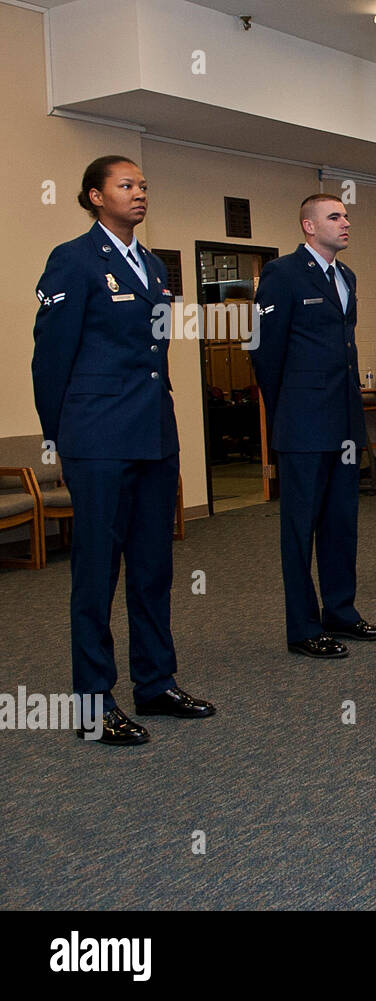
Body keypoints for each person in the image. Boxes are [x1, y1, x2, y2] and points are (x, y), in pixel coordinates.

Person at [31, 155, 215, 745]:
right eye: (126, 185)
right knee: (96, 572)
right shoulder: (73, 260)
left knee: (153, 568)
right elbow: (50, 358)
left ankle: (156, 683)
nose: (139, 193)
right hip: (99, 440)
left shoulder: (154, 265)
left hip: (153, 436)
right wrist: (59, 434)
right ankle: (92, 702)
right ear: (93, 196)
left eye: (143, 185)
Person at [251, 194, 376, 659]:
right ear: (309, 226)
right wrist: (286, 407)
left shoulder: (346, 275)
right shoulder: (282, 275)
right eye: (335, 216)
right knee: (300, 528)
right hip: (303, 423)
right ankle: (303, 626)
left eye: (347, 215)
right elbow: (264, 352)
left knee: (341, 523)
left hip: (345, 421)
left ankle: (340, 611)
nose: (345, 222)